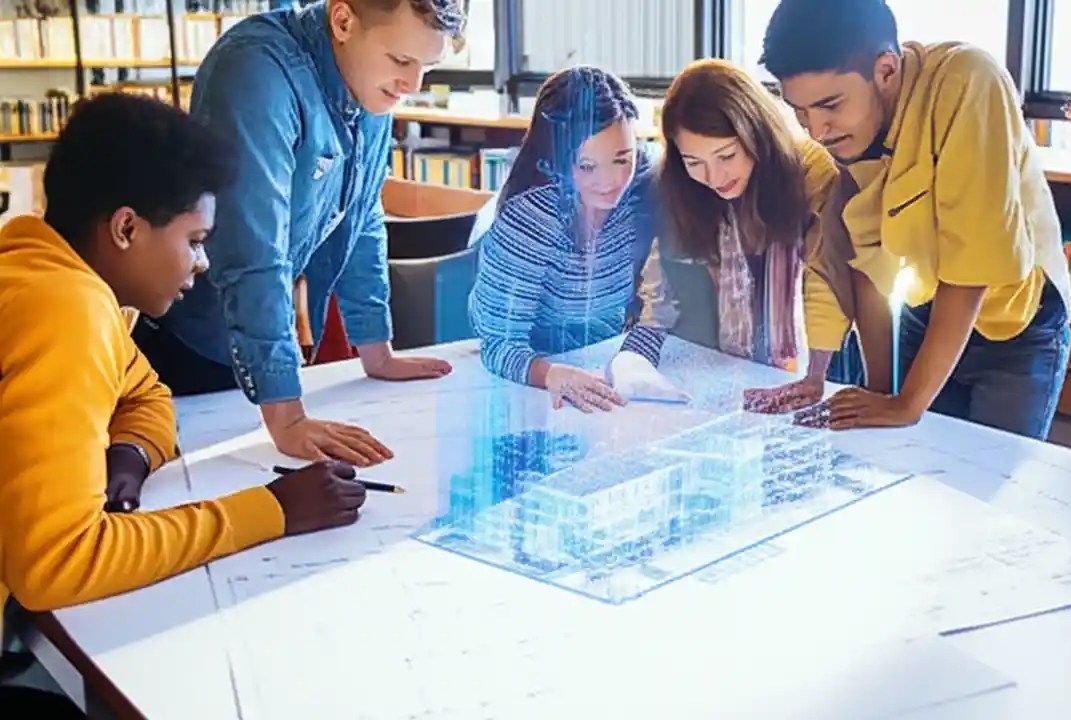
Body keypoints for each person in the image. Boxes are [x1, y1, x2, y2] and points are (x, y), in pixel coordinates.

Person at [0, 94, 368, 715]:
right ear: (125, 228)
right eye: (195, 240)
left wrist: (130, 453)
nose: (201, 265)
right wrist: (273, 508)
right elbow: (57, 564)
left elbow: (146, 393)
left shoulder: (44, 269)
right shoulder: (66, 307)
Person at [134, 0, 469, 468]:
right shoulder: (254, 72)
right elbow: (254, 248)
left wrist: (376, 350)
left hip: (266, 355)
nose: (413, 85)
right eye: (401, 61)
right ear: (343, 21)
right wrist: (286, 413)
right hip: (190, 354)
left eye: (426, 67)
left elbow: (361, 214)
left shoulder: (369, 79)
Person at [751, 0, 1071, 441]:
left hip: (1016, 325)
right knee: (910, 464)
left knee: (985, 483)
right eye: (800, 111)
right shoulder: (848, 132)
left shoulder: (968, 80)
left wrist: (905, 404)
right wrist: (877, 392)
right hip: (928, 312)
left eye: (830, 105)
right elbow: (867, 268)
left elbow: (972, 268)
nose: (816, 131)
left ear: (886, 70)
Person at [614, 59, 866, 398]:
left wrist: (815, 377)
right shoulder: (683, 189)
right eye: (694, 162)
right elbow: (661, 288)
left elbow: (826, 274)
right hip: (730, 372)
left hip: (821, 358)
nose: (714, 177)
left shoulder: (811, 173)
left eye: (726, 155)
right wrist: (632, 360)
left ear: (756, 132)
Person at [468, 66, 658, 412]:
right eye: (587, 166)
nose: (610, 181)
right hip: (528, 380)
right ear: (556, 158)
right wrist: (553, 375)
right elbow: (499, 345)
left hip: (605, 364)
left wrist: (635, 359)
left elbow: (661, 306)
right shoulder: (531, 218)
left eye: (622, 159)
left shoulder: (645, 189)